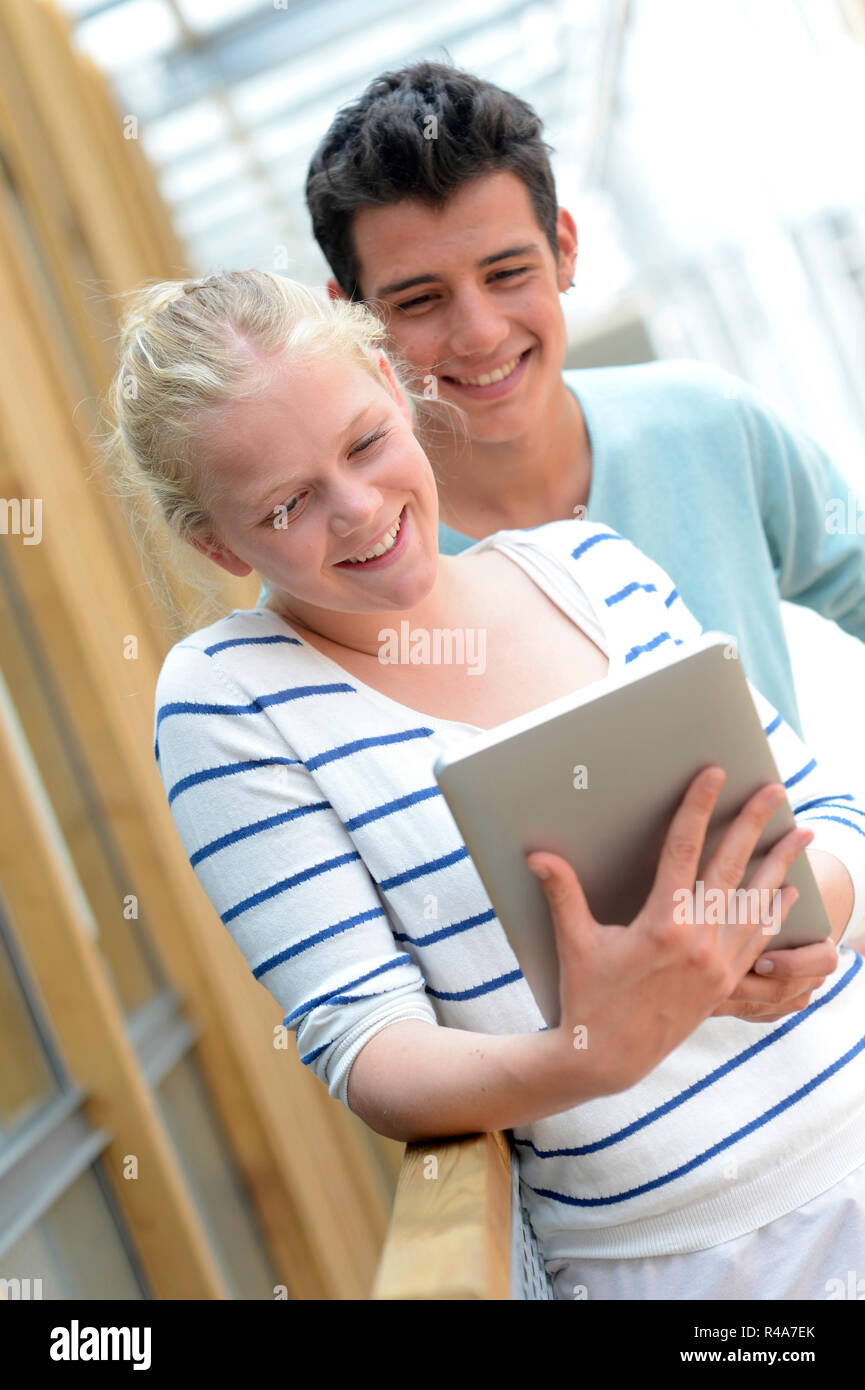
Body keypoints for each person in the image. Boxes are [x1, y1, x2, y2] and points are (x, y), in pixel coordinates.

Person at [102, 269, 865, 1300]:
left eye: (366, 441)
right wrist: (589, 1053)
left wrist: (795, 919)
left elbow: (829, 816)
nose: (359, 510)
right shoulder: (229, 700)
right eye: (287, 505)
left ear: (390, 381)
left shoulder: (593, 566)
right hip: (691, 1266)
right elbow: (370, 1046)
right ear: (211, 541)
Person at [252, 59, 865, 739]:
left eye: (507, 273)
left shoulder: (711, 423)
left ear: (563, 250)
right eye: (421, 299)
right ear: (353, 319)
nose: (480, 334)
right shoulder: (339, 581)